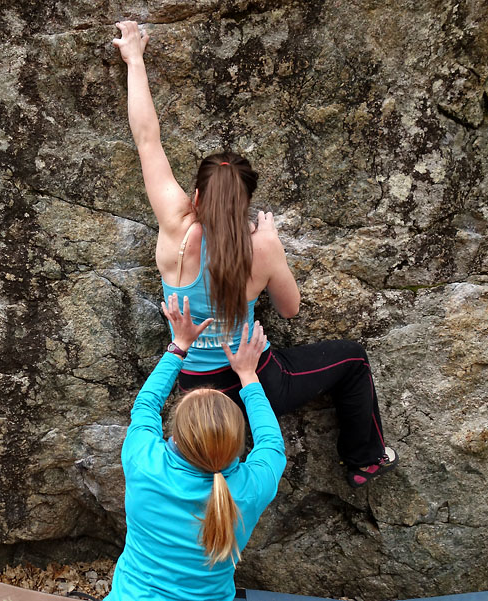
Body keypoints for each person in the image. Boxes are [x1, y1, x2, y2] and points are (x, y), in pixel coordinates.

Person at [113, 20, 396, 487]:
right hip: (253, 379)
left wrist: (135, 59)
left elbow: (148, 139)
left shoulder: (174, 228)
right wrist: (273, 246)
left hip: (195, 393)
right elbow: (289, 308)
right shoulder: (260, 247)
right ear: (245, 204)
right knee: (352, 359)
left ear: (197, 198)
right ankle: (365, 460)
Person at [105, 292, 285, 601]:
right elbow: (271, 443)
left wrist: (179, 346)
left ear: (175, 435)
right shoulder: (248, 489)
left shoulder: (144, 463)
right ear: (238, 444)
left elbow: (145, 407)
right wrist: (247, 374)